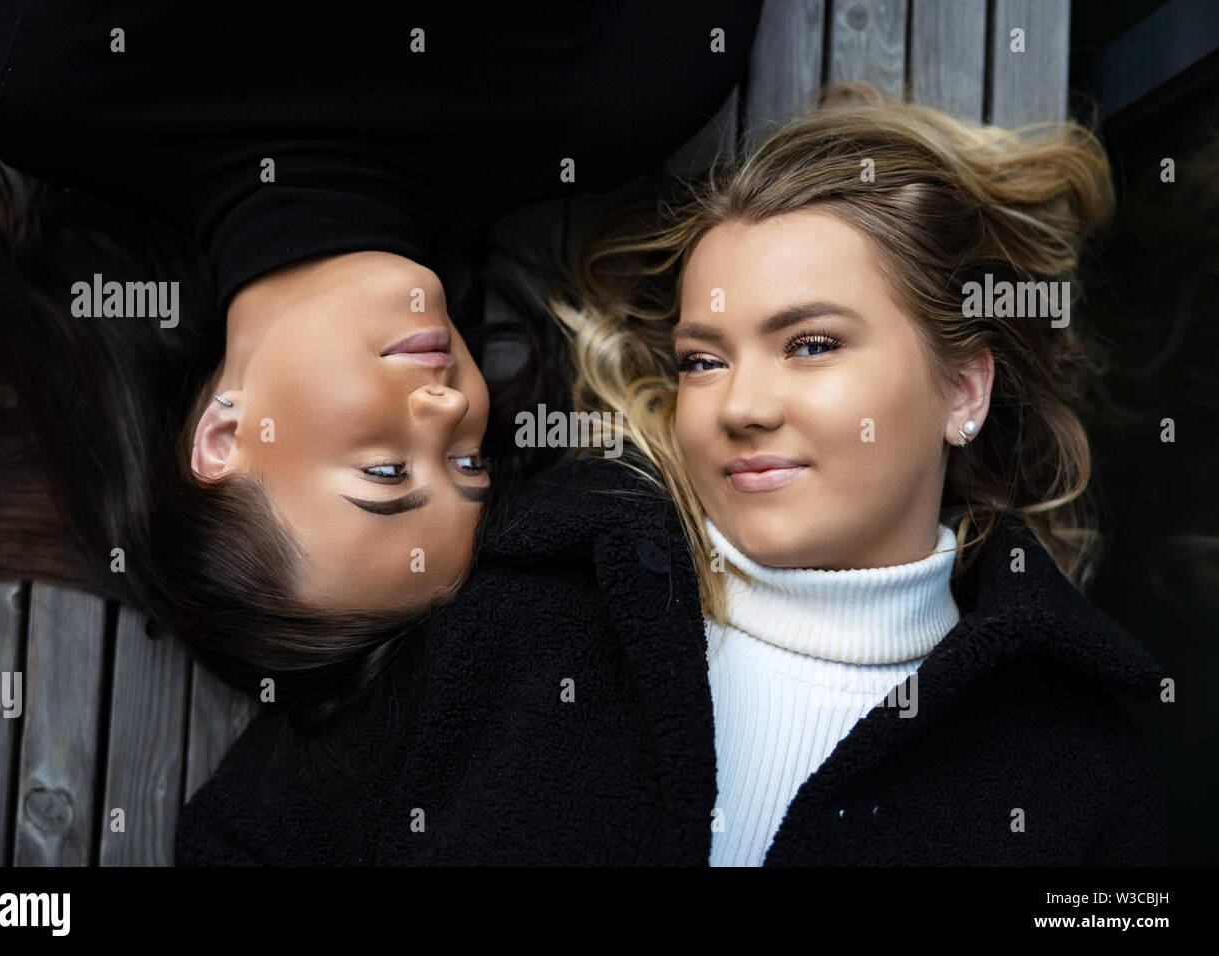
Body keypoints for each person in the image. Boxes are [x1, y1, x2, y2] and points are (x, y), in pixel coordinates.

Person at [174, 83, 1171, 865]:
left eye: (812, 344)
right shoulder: (522, 612)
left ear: (961, 389)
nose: (739, 404)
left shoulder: (1079, 768)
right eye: (703, 358)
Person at [0, 2, 762, 725]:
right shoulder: (629, 88)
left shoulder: (43, 77)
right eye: (469, 462)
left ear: (223, 437)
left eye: (388, 471)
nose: (447, 410)